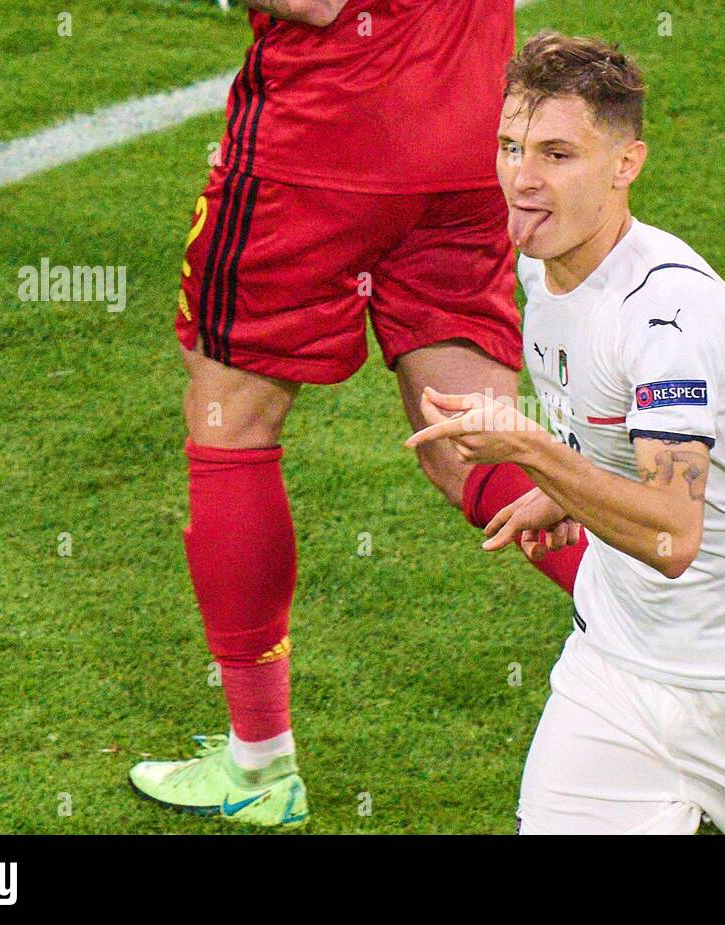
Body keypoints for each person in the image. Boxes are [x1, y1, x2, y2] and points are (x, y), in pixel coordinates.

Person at [407, 31, 725, 834]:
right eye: (509, 146)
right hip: (617, 669)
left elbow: (673, 537)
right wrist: (555, 486)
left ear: (625, 165)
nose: (522, 181)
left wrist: (530, 448)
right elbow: (613, 439)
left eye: (558, 155)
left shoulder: (667, 319)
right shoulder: (542, 262)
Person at [130, 1, 586, 828]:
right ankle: (698, 635)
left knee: (232, 418)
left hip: (329, 139)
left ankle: (259, 763)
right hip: (468, 138)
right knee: (467, 439)